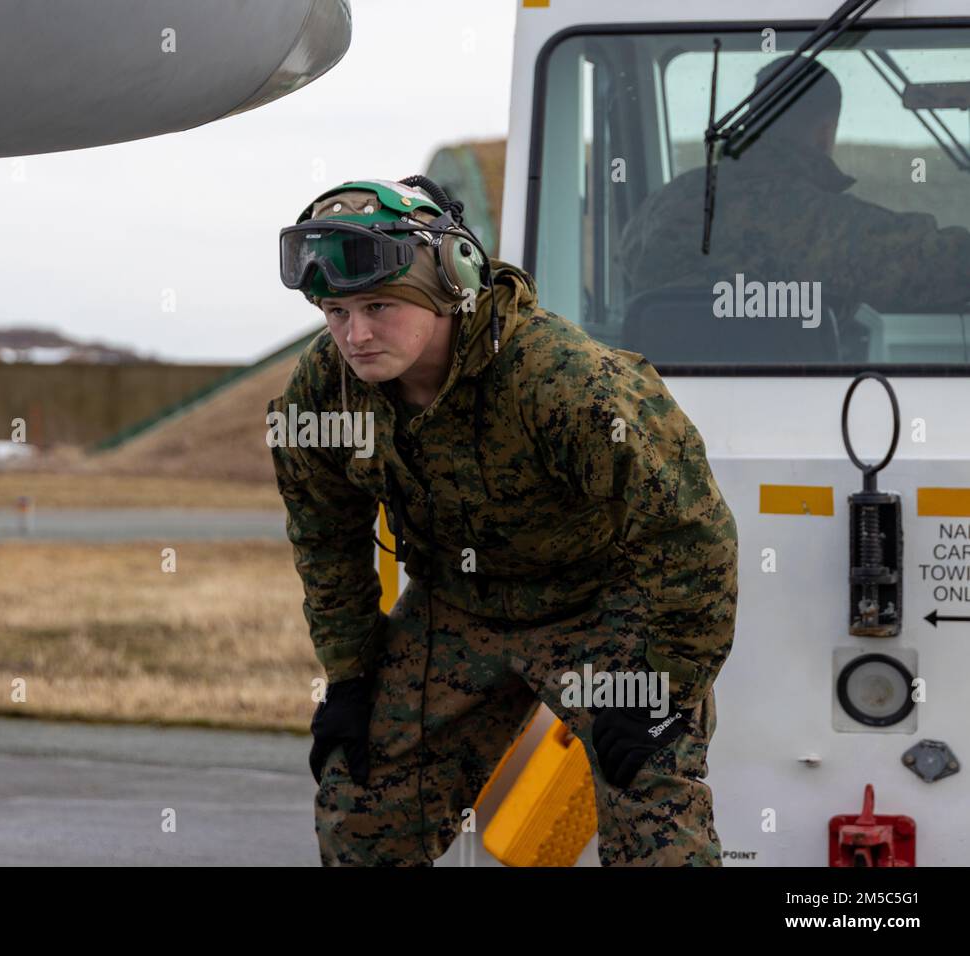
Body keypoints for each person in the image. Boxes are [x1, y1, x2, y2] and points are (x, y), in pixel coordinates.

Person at [268, 176, 739, 866]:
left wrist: (669, 688)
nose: (355, 335)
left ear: (449, 283)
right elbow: (324, 535)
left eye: (377, 306)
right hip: (456, 610)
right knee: (362, 805)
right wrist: (351, 675)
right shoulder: (324, 390)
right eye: (335, 313)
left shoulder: (559, 379)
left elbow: (689, 531)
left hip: (603, 607)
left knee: (656, 819)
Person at [619, 55, 970, 347]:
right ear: (825, 133)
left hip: (665, 416)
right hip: (805, 414)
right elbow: (949, 266)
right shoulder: (830, 226)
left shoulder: (656, 210)